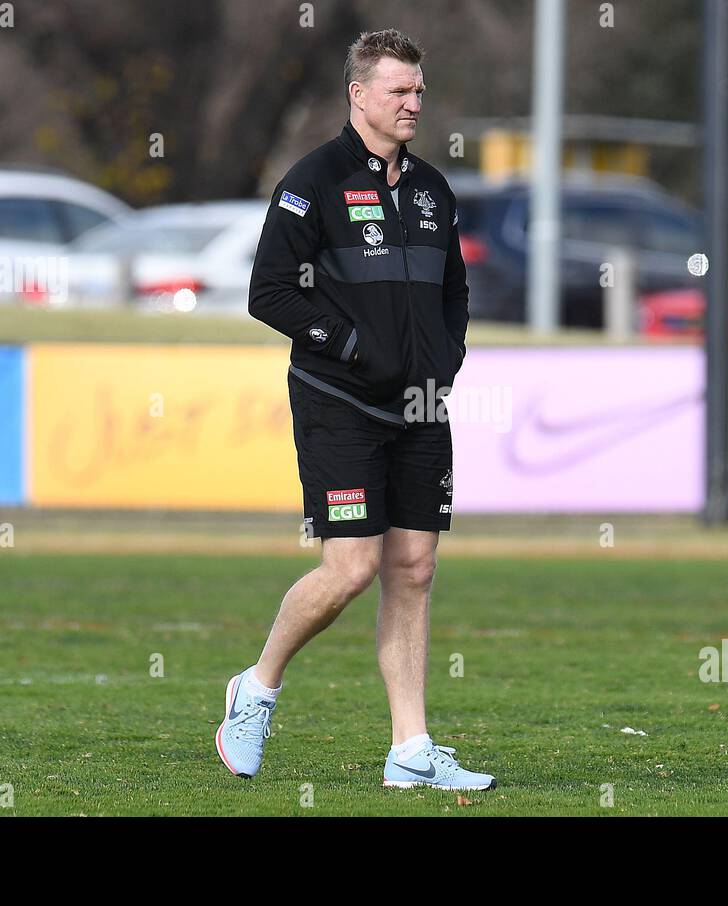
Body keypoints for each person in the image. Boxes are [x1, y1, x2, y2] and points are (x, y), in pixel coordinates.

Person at [218, 28, 495, 792]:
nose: (413, 104)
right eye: (399, 91)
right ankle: (257, 687)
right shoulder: (313, 181)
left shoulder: (434, 190)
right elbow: (268, 291)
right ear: (359, 94)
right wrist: (347, 347)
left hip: (420, 406)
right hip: (338, 401)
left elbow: (453, 296)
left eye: (419, 91)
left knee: (414, 567)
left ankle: (411, 751)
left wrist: (445, 360)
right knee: (349, 568)